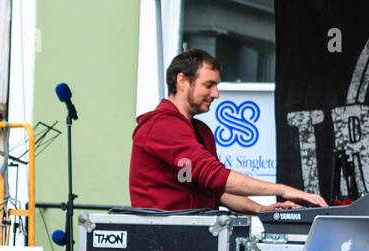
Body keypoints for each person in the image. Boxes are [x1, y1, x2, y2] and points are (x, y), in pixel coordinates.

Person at [129, 49, 326, 213]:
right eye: (209, 85)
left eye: (217, 85)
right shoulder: (161, 125)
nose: (216, 94)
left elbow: (216, 189)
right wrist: (282, 189)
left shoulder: (201, 131)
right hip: (162, 242)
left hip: (191, 239)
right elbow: (216, 176)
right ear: (182, 81)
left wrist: (262, 210)